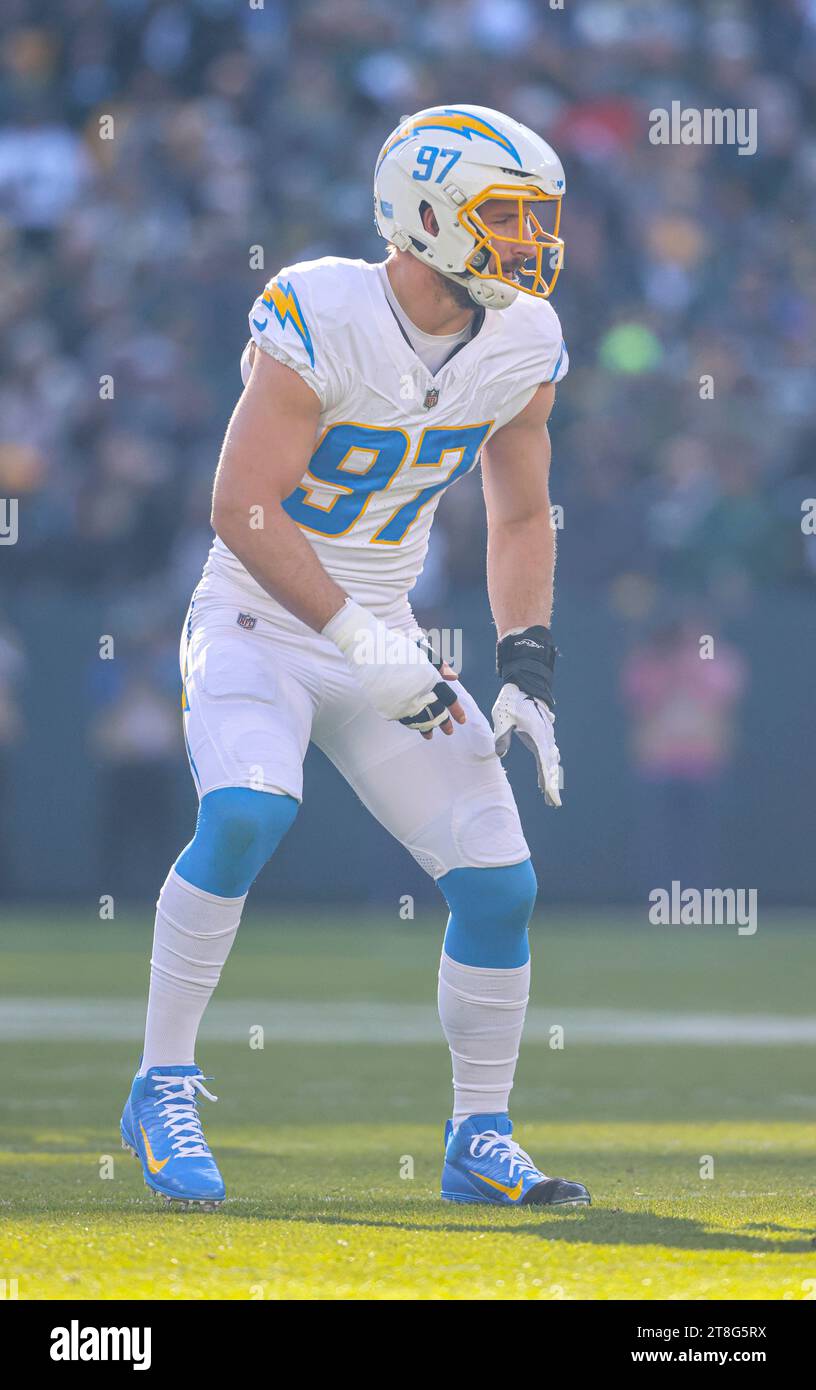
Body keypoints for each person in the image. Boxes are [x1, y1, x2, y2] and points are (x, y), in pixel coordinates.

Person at [121, 105, 590, 1211]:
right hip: (259, 620)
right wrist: (361, 640)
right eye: (506, 216)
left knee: (500, 884)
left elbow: (524, 514)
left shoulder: (522, 341)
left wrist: (527, 665)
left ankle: (480, 1134)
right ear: (428, 214)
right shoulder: (324, 306)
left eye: (537, 219)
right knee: (246, 812)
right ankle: (160, 1079)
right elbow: (241, 506)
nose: (531, 243)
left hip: (383, 634)